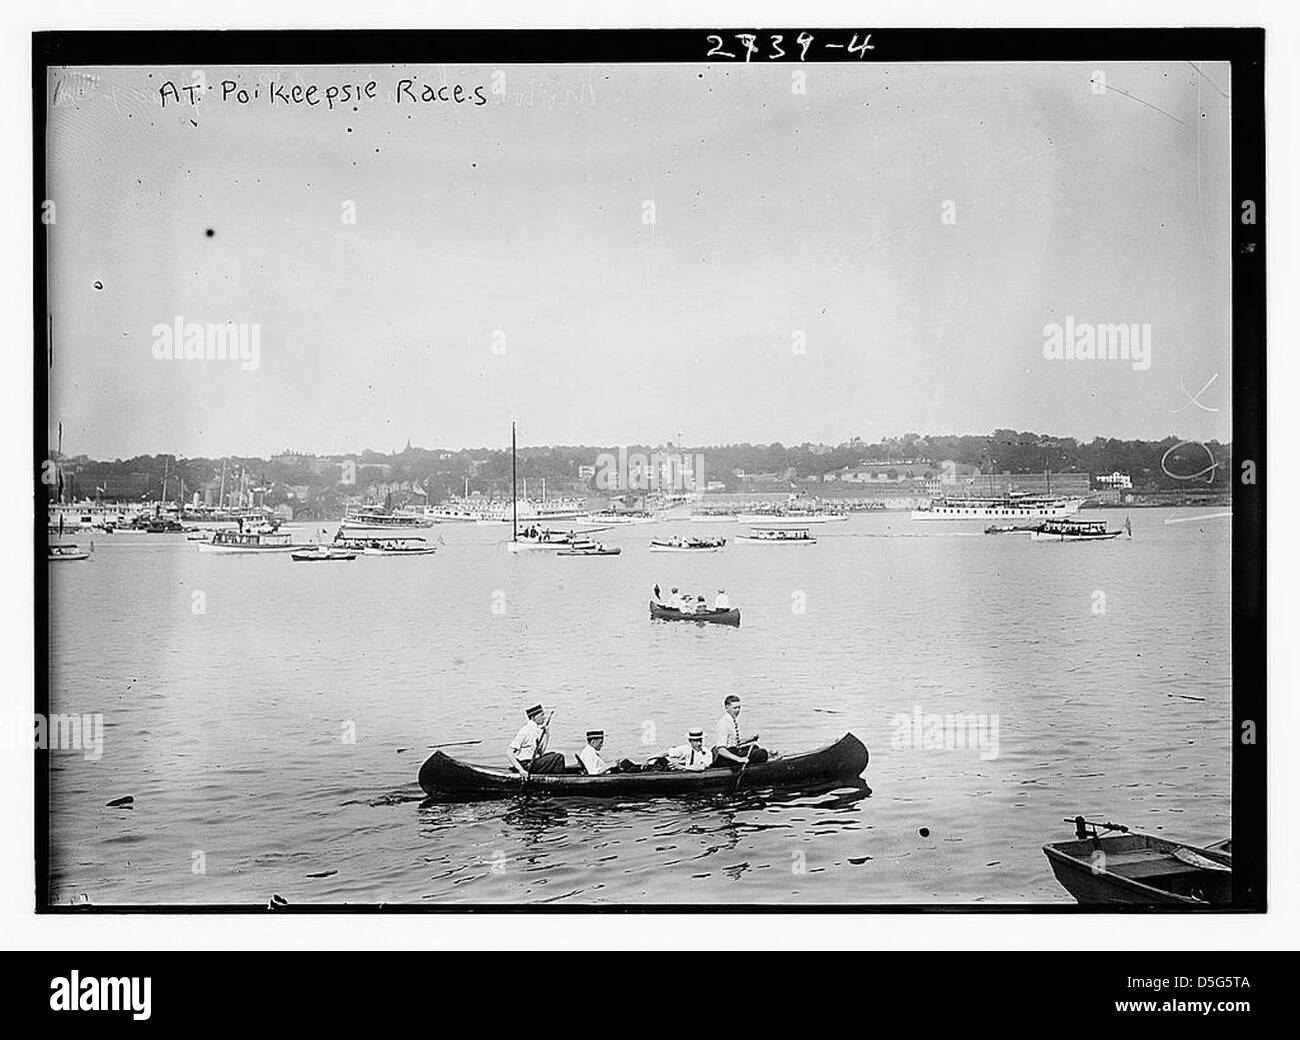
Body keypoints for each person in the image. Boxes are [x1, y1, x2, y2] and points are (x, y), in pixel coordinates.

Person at [506, 704, 566, 775]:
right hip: (527, 765)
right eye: (541, 715)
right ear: (533, 717)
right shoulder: (525, 731)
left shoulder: (537, 730)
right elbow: (509, 753)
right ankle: (557, 780)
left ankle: (554, 775)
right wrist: (521, 770)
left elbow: (541, 752)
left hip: (534, 762)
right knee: (559, 758)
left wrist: (547, 735)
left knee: (553, 754)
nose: (544, 717)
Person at [713, 695, 769, 767]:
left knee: (755, 747)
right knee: (762, 753)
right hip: (726, 757)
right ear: (727, 708)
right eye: (735, 708)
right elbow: (721, 749)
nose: (737, 710)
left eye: (739, 708)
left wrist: (750, 739)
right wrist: (739, 759)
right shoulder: (723, 723)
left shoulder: (731, 720)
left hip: (734, 750)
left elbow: (736, 742)